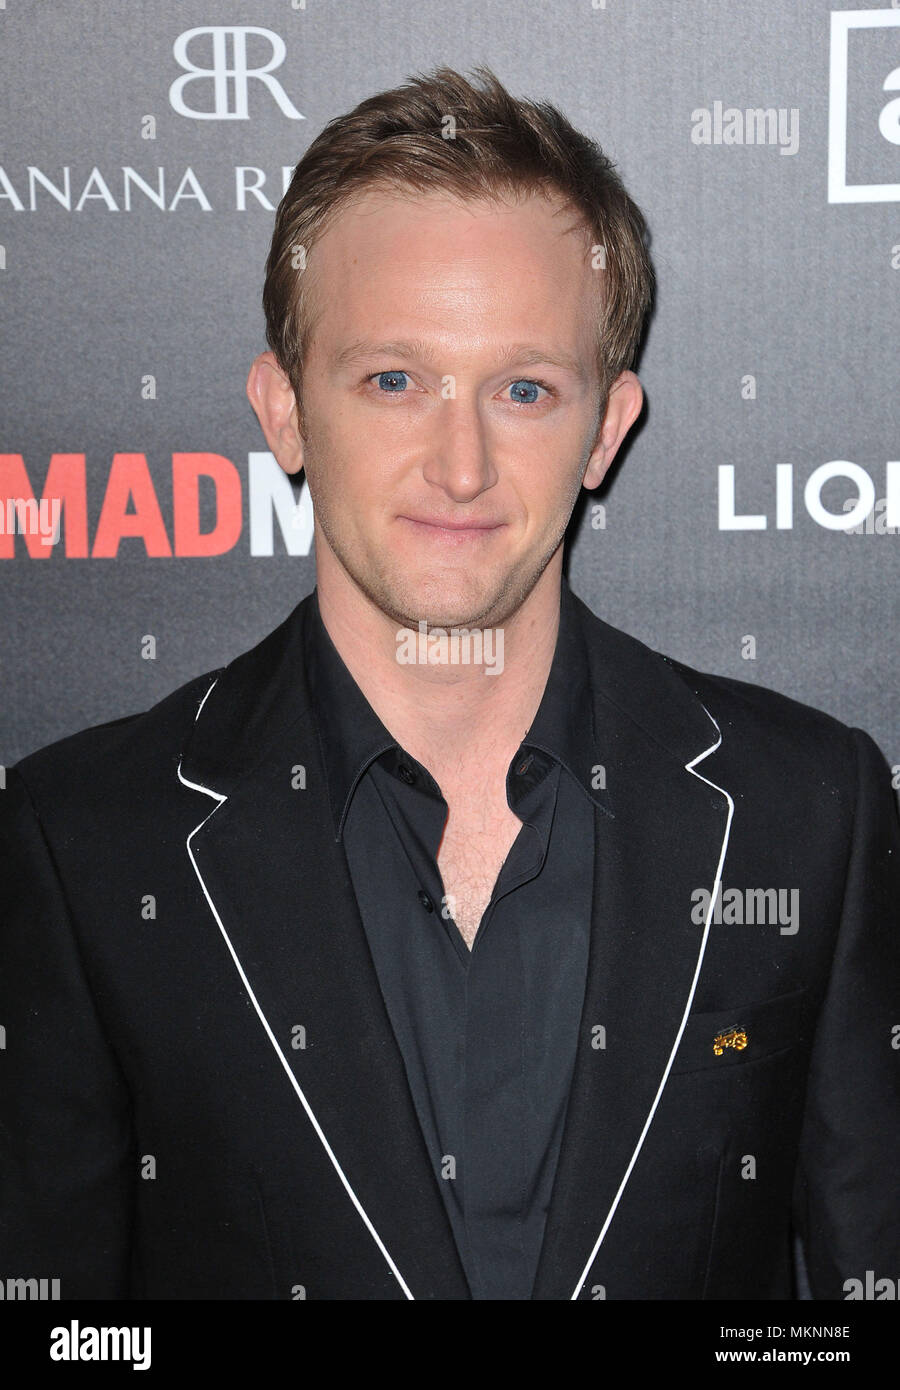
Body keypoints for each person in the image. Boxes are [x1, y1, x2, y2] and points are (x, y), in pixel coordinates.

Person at [1, 65, 897, 1302]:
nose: (461, 465)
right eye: (393, 380)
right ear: (284, 412)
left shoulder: (811, 813)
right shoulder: (87, 838)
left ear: (607, 427)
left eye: (523, 389)